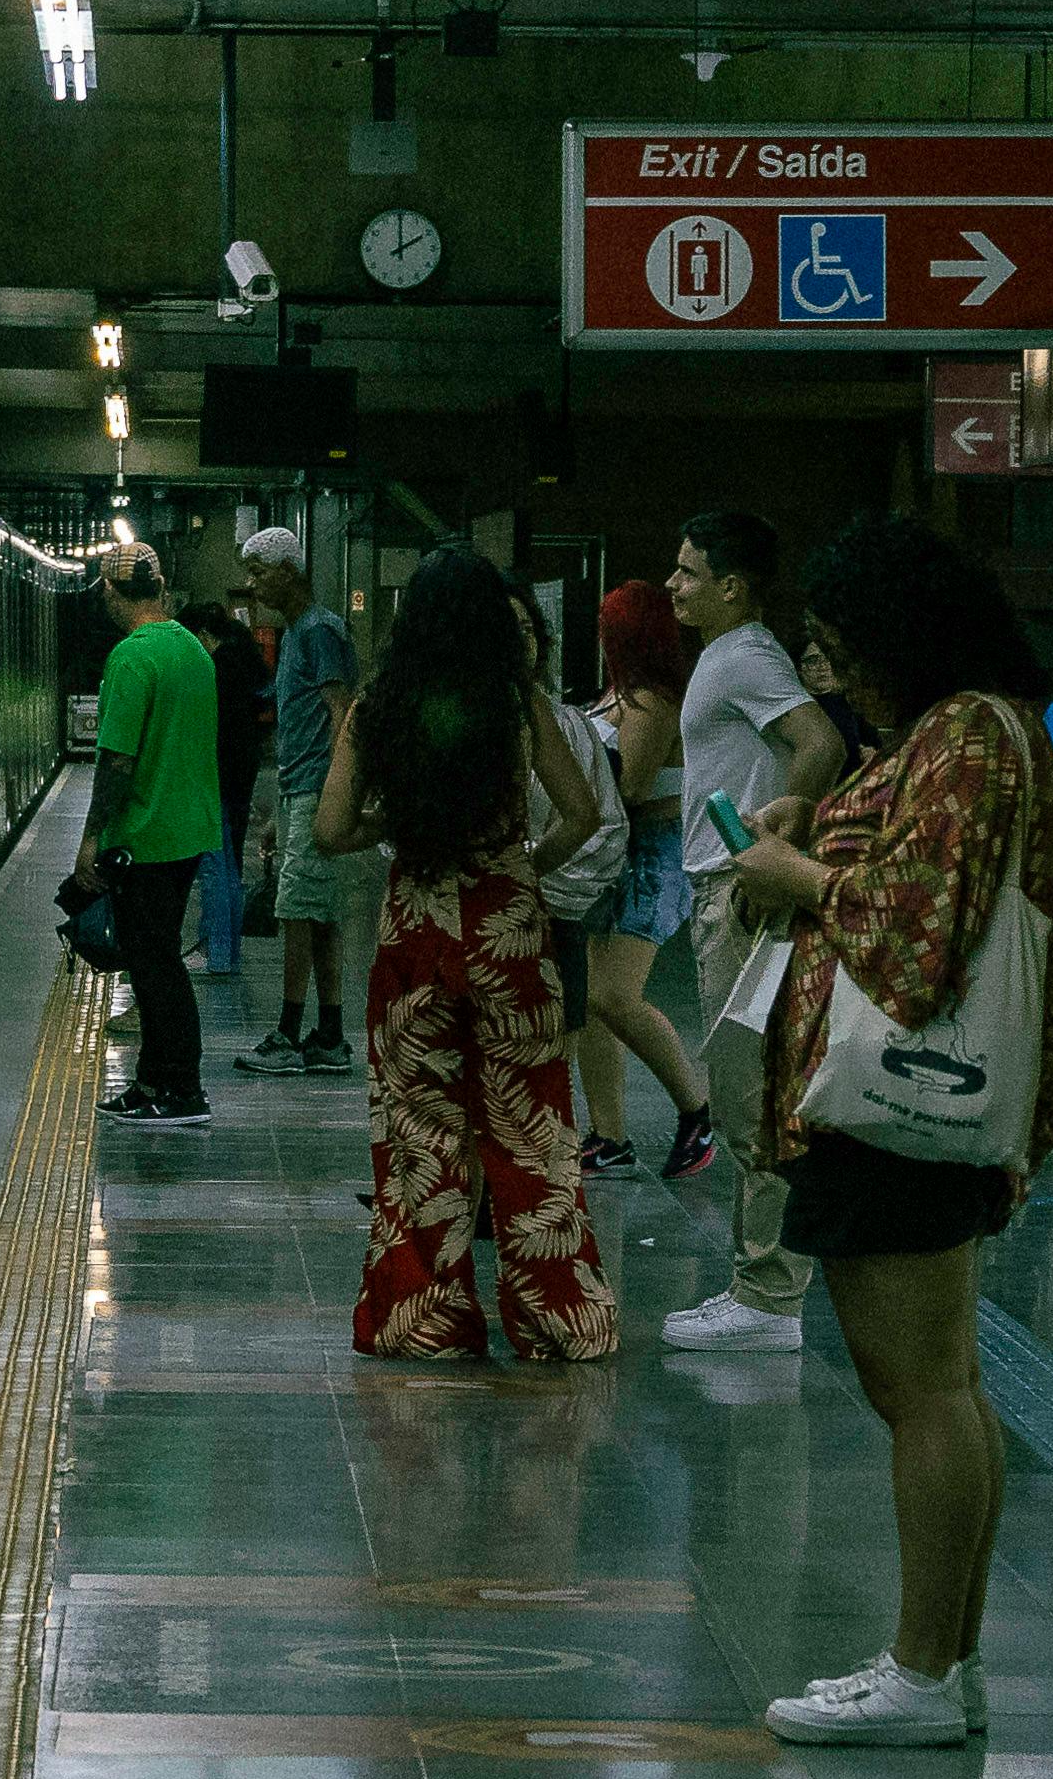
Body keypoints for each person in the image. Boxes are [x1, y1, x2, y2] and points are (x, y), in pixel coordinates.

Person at [716, 516, 1053, 1744]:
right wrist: (813, 836)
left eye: (836, 648)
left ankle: (919, 1672)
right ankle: (946, 1661)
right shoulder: (955, 729)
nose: (827, 674)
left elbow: (920, 924)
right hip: (902, 1104)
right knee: (941, 1385)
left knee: (916, 1386)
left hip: (902, 1099)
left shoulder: (969, 732)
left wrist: (798, 882)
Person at [313, 545, 612, 1358]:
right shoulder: (515, 703)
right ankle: (561, 1322)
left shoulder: (377, 706)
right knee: (532, 1130)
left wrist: (396, 830)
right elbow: (581, 812)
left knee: (419, 1131)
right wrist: (518, 866)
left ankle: (425, 1319)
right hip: (507, 930)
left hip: (414, 933)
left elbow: (330, 831)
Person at [651, 509, 844, 1352]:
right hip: (720, 888)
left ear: (732, 587)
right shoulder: (724, 657)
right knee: (742, 1089)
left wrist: (777, 844)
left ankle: (768, 1295)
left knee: (750, 1089)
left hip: (742, 895)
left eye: (688, 572)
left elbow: (819, 741)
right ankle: (755, 1283)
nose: (673, 584)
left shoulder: (748, 656)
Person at [569, 579, 721, 1179]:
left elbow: (629, 785)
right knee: (589, 999)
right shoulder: (623, 693)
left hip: (652, 854)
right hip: (616, 852)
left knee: (614, 995)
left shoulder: (653, 701)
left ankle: (697, 1111)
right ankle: (609, 1133)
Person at [79, 543, 220, 1130]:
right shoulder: (193, 650)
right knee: (154, 958)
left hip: (144, 834)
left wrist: (92, 839)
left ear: (113, 594)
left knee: (155, 964)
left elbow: (116, 761)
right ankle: (154, 1081)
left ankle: (181, 1087)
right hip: (189, 829)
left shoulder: (132, 658)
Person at [230, 528, 376, 1077]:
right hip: (304, 790)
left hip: (316, 790)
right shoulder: (297, 632)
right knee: (319, 916)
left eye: (258, 571)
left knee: (296, 911)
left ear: (289, 570)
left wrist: (332, 800)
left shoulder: (318, 632)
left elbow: (345, 718)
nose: (251, 583)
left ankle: (290, 1034)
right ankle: (331, 1035)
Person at [192, 597, 272, 979]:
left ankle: (217, 953)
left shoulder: (216, 668)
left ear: (204, 634)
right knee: (232, 863)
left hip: (217, 775)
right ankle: (228, 951)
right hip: (244, 771)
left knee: (214, 864)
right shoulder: (246, 660)